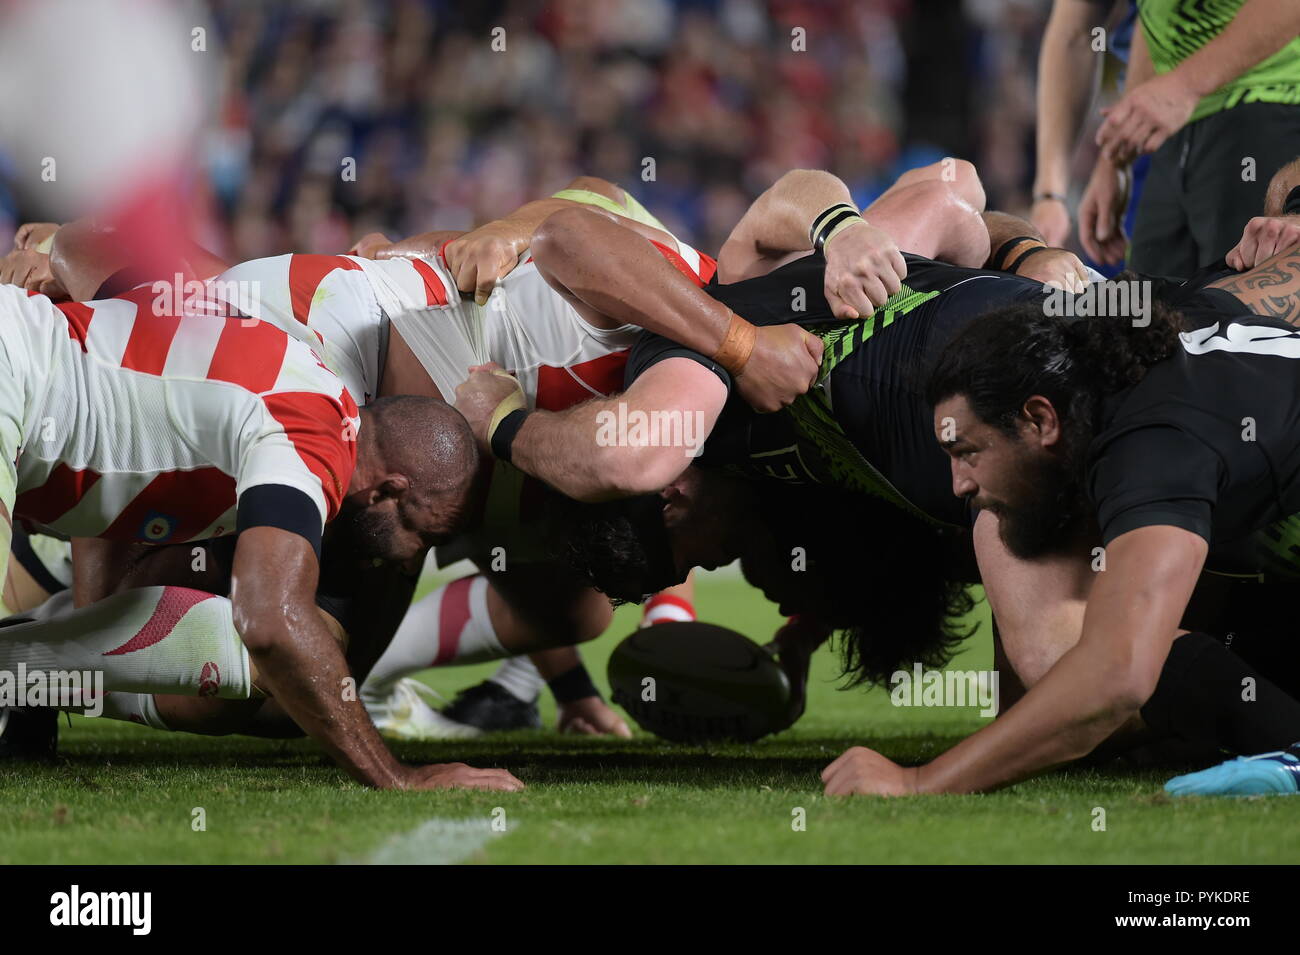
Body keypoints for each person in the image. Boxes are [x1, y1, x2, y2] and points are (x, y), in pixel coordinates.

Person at [0, 279, 521, 792]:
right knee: (275, 639)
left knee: (260, 661)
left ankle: (20, 677)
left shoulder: (301, 380)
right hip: (10, 375)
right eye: (422, 538)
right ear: (388, 491)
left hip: (21, 384)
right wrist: (398, 777)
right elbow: (271, 622)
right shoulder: (311, 434)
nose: (411, 564)